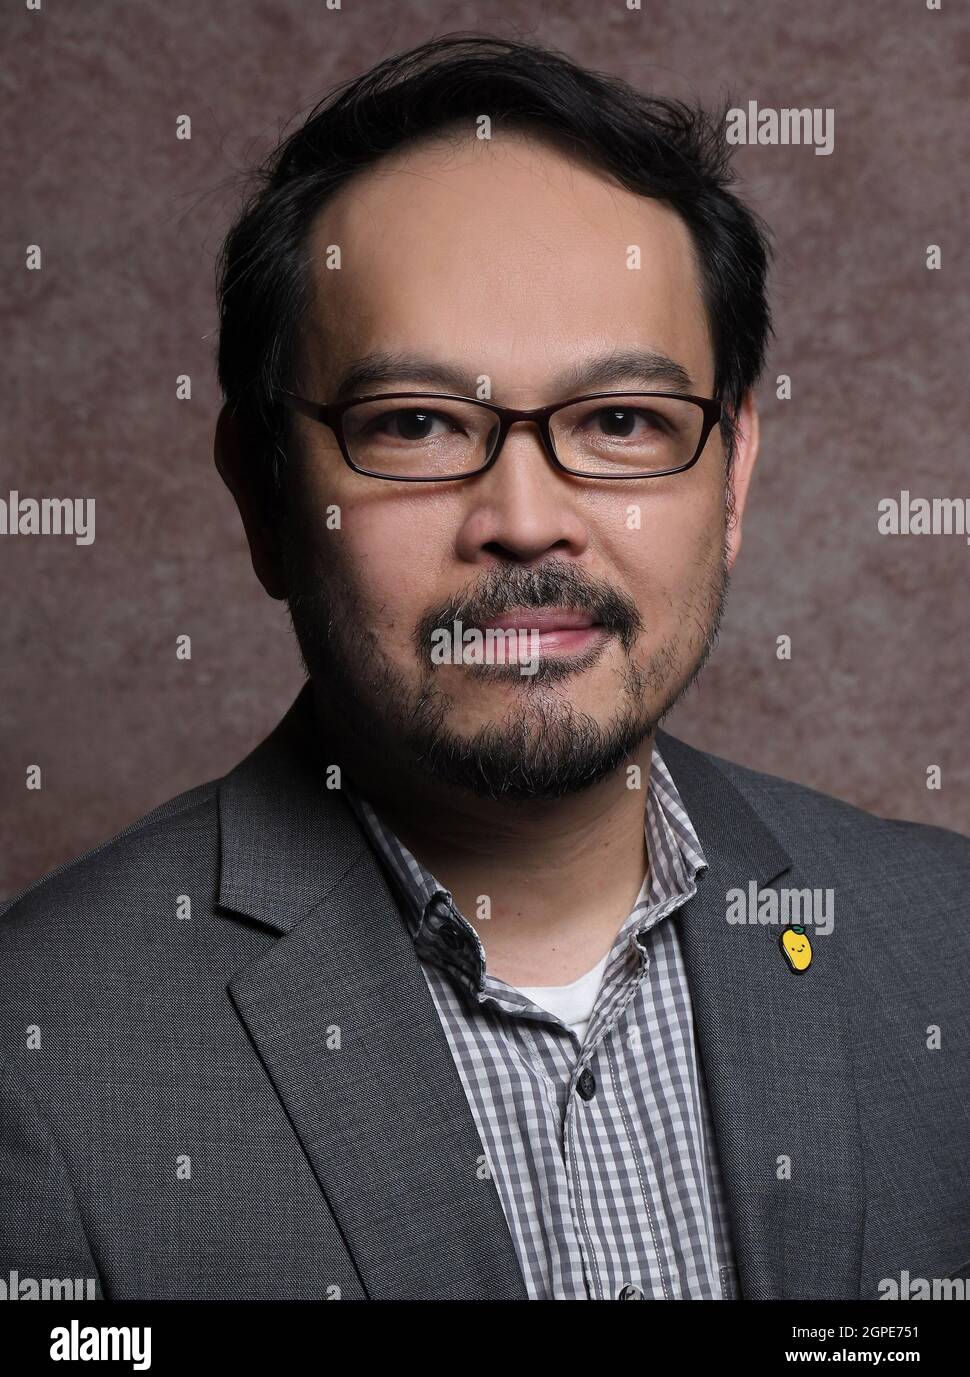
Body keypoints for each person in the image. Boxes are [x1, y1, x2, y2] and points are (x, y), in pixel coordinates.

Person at [1, 34, 968, 1302]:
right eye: (414, 425)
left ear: (731, 477)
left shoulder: (941, 943)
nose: (525, 517)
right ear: (264, 492)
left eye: (621, 422)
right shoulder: (46, 1052)